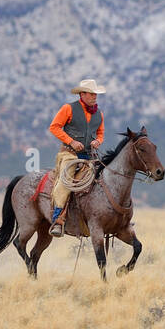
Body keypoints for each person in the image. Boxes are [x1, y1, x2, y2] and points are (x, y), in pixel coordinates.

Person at [47, 79, 106, 237]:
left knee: (106, 177)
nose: (95, 97)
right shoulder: (68, 108)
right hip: (69, 153)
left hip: (89, 155)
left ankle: (111, 216)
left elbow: (100, 134)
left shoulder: (98, 114)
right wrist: (71, 141)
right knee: (65, 182)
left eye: (96, 94)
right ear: (82, 94)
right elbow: (54, 127)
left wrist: (97, 141)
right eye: (92, 94)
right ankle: (58, 219)